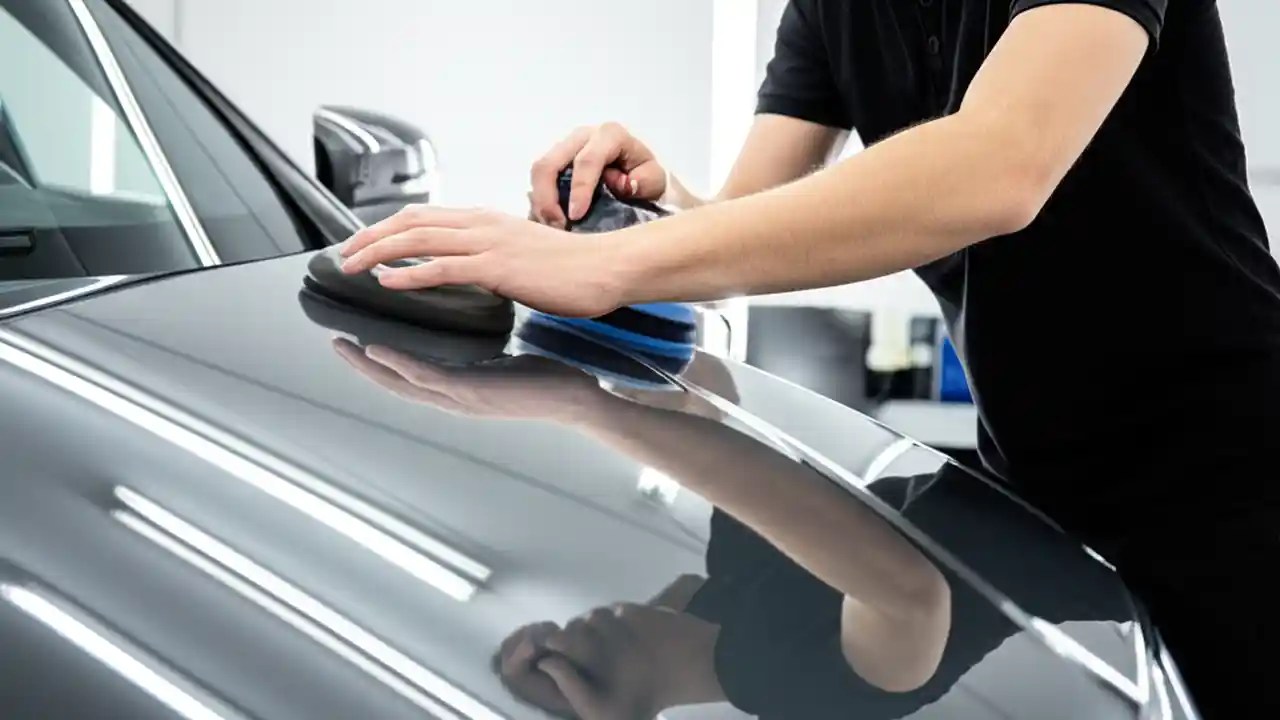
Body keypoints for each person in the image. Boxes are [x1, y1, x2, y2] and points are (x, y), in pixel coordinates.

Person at [338, 2, 1278, 716]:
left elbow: (1003, 164)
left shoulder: (766, 657)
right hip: (1033, 481)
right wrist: (650, 211)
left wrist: (605, 268)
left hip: (1236, 474)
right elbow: (741, 234)